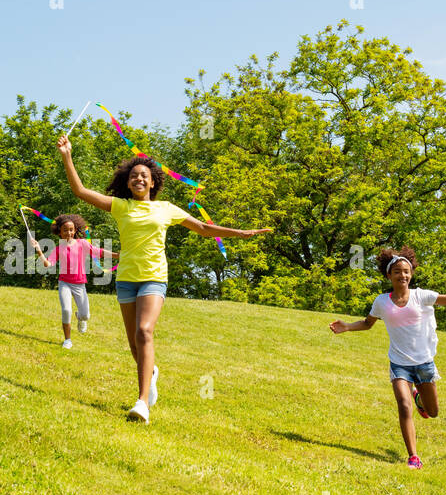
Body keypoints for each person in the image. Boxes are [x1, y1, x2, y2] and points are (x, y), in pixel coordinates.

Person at [57, 133, 269, 422]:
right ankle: (151, 371)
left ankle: (142, 402)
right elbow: (80, 191)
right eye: (133, 176)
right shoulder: (121, 206)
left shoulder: (167, 208)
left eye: (144, 176)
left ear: (153, 182)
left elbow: (204, 229)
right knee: (134, 343)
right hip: (127, 279)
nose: (138, 179)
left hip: (154, 278)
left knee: (145, 331)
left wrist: (241, 233)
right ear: (127, 182)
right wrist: (67, 155)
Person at [329, 246, 446, 468]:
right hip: (399, 364)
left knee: (432, 412)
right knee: (403, 406)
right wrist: (346, 327)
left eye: (406, 271)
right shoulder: (381, 302)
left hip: (424, 364)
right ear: (388, 275)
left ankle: (420, 398)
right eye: (397, 272)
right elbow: (367, 323)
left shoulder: (421, 296)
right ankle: (413, 456)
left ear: (411, 274)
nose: (402, 275)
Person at [30, 213, 117, 348]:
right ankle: (67, 340)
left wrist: (117, 255)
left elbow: (98, 252)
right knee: (66, 310)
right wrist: (39, 250)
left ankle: (80, 318)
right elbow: (48, 264)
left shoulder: (82, 243)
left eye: (71, 230)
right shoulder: (58, 248)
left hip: (79, 284)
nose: (68, 232)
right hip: (64, 283)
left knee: (86, 315)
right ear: (60, 232)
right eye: (65, 230)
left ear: (75, 230)